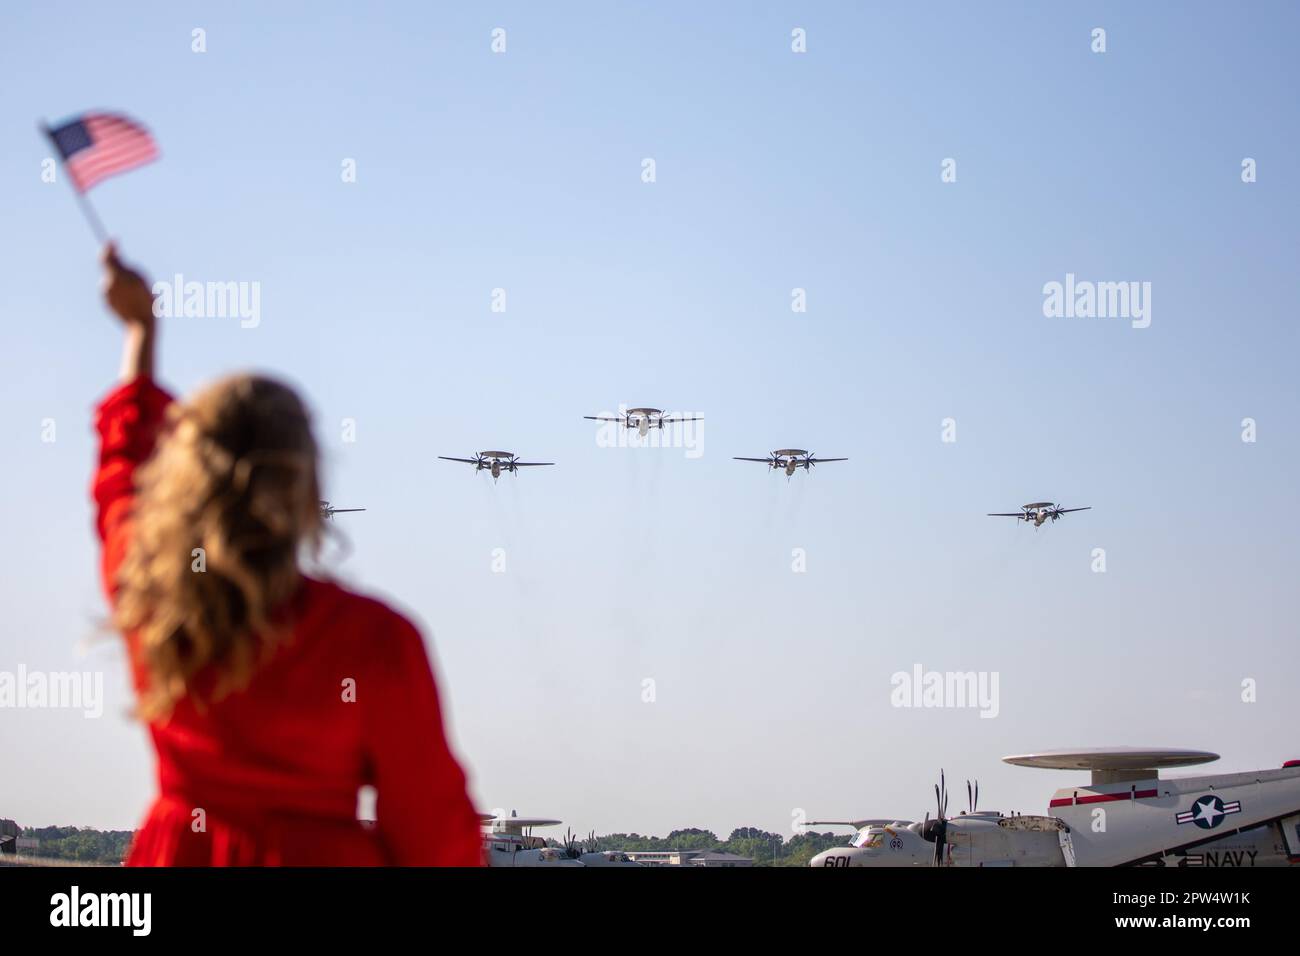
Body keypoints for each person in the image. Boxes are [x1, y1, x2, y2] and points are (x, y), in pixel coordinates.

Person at [93, 244, 483, 865]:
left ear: (179, 481)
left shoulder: (150, 592)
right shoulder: (377, 641)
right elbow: (436, 834)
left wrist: (140, 333)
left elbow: (122, 470)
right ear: (306, 489)